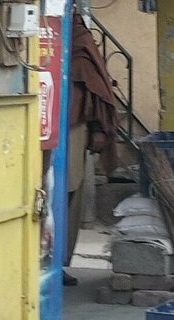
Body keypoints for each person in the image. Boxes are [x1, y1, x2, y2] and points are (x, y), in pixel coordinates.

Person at [63, 14, 119, 286]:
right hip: (39, 125)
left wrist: (98, 128)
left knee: (68, 192)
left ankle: (58, 261)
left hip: (73, 126)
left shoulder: (78, 39)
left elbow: (95, 85)